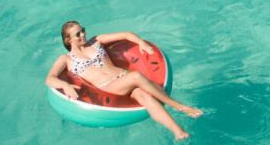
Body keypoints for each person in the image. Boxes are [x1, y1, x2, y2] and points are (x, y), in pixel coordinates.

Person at [45, 21, 203, 140]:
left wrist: (141, 43)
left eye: (83, 30)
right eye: (78, 34)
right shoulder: (66, 59)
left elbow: (126, 34)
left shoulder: (95, 41)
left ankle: (178, 132)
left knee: (144, 97)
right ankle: (179, 106)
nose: (83, 35)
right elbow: (50, 79)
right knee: (136, 76)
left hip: (123, 77)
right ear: (68, 40)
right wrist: (65, 85)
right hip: (109, 87)